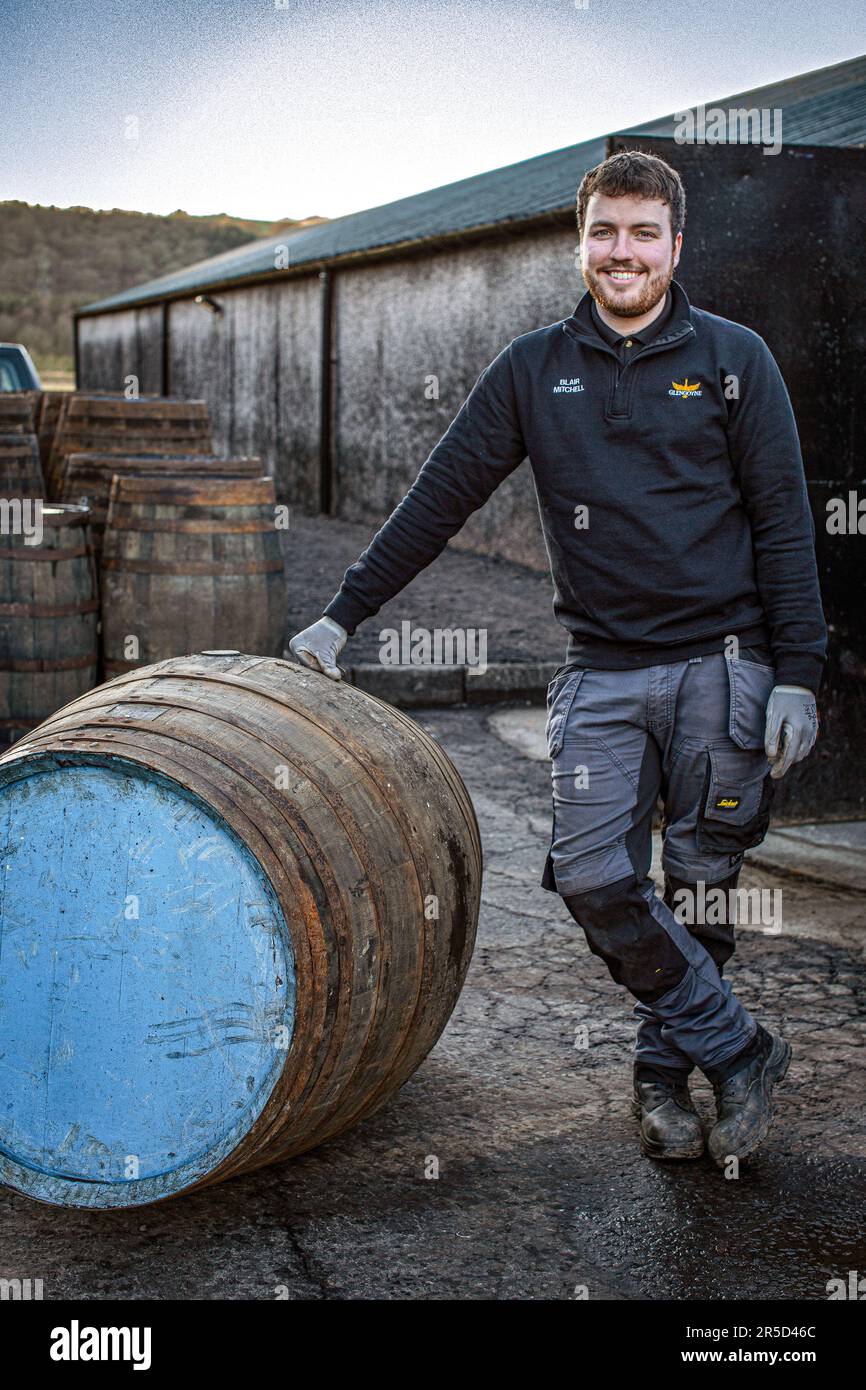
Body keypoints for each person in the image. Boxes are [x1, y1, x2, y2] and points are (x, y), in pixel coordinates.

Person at [289, 149, 826, 1169]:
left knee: (700, 888)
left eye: (642, 233)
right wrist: (341, 615)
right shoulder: (533, 369)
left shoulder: (732, 358)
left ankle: (663, 1082)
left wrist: (795, 669)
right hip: (601, 666)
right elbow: (435, 500)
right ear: (576, 241)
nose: (620, 252)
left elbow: (784, 524)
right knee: (589, 875)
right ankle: (741, 1049)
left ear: (675, 243)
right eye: (603, 232)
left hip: (723, 665)